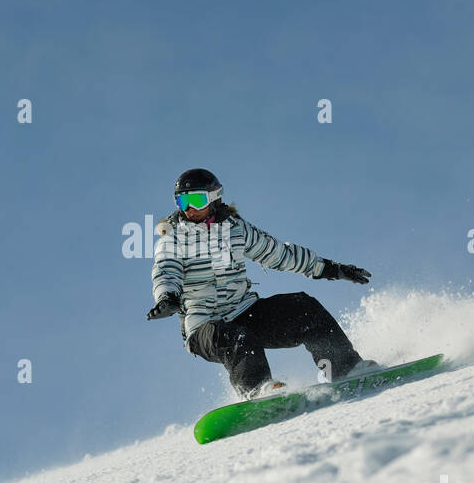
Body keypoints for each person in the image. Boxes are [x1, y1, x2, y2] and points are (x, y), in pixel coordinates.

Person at [146, 168, 379, 399]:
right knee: (236, 337)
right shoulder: (173, 239)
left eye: (196, 200)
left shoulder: (236, 230)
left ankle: (346, 368)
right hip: (204, 326)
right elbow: (166, 271)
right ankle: (257, 390)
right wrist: (167, 297)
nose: (189, 209)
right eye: (182, 201)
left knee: (305, 308)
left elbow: (279, 254)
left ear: (215, 198)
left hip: (243, 310)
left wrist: (331, 269)